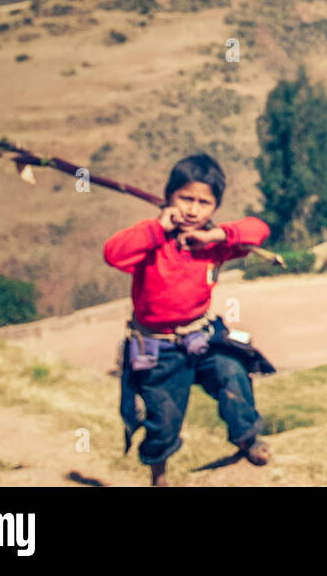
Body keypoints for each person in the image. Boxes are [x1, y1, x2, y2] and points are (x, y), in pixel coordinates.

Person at [103, 153, 273, 486]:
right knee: (162, 418)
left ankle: (247, 439)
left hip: (204, 337)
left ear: (215, 207)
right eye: (185, 198)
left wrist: (217, 236)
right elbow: (113, 253)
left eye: (204, 202)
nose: (193, 210)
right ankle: (159, 473)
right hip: (157, 347)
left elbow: (259, 230)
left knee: (234, 375)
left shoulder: (213, 243)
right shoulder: (152, 238)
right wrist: (157, 229)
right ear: (169, 198)